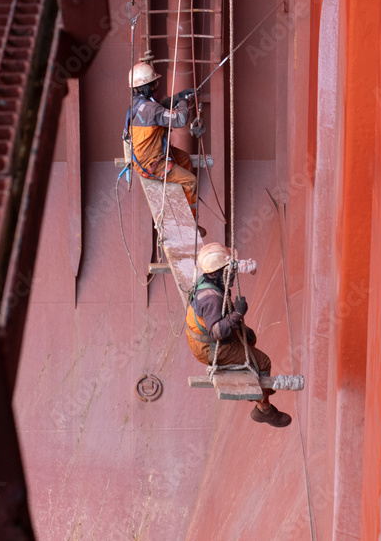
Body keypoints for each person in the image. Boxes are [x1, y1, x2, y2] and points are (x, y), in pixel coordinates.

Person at [186, 242, 292, 428]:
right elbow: (216, 332)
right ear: (219, 272)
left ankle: (259, 382)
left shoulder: (208, 280)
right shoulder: (212, 298)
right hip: (209, 347)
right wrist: (238, 314)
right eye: (230, 268)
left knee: (249, 337)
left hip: (206, 336)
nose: (233, 273)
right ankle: (263, 409)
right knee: (264, 362)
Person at [124, 61, 204, 226]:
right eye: (154, 84)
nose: (157, 87)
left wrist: (179, 96)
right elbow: (180, 120)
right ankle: (189, 221)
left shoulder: (138, 104)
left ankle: (181, 196)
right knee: (191, 181)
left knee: (185, 159)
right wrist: (183, 102)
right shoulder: (151, 110)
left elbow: (161, 106)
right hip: (151, 163)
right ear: (148, 87)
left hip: (144, 156)